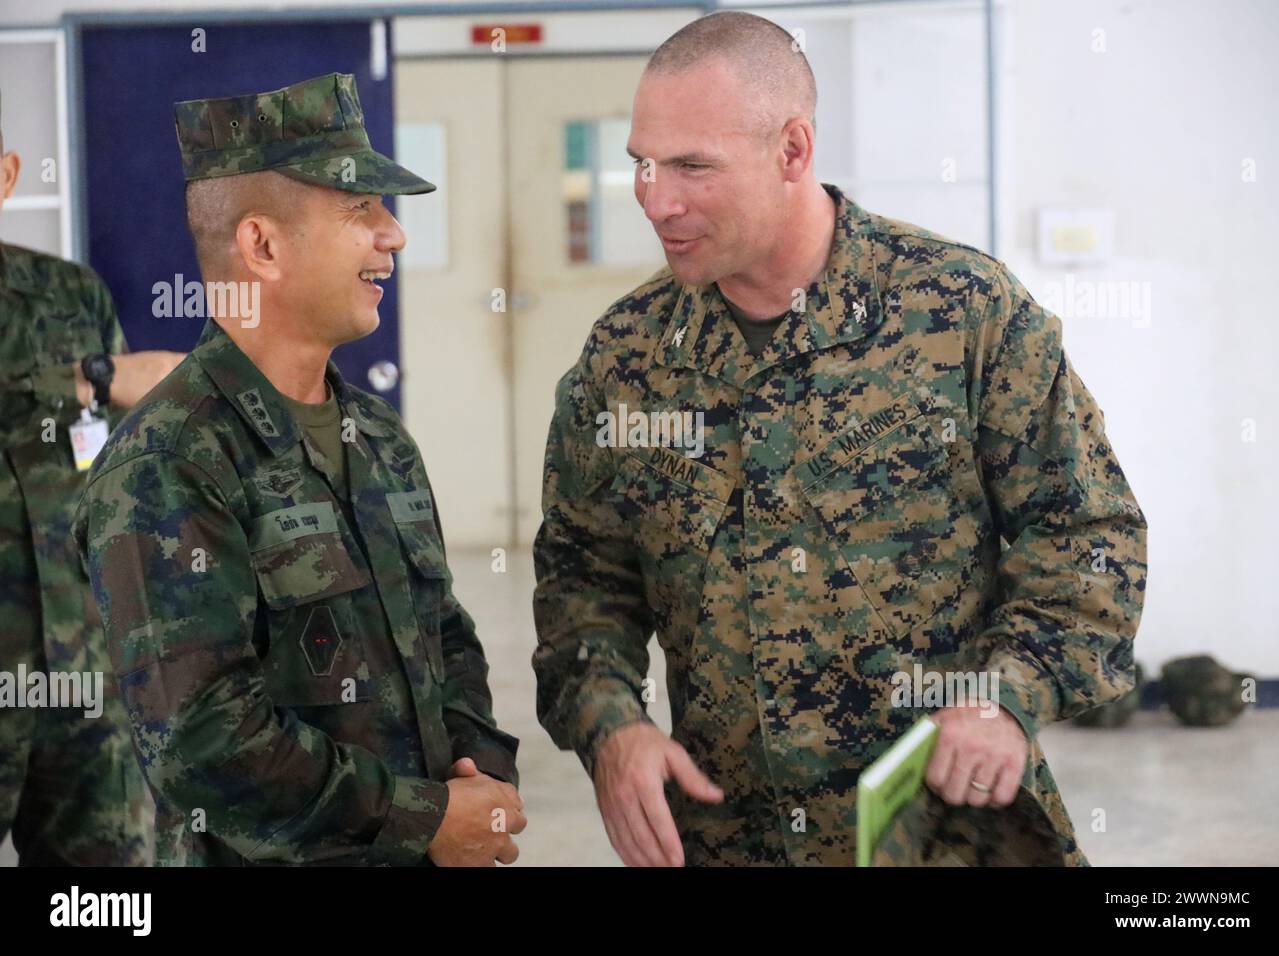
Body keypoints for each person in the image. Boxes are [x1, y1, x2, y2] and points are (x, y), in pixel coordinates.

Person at [532, 12, 1147, 866]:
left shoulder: (963, 313)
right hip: (726, 839)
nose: (654, 197)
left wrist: (1005, 699)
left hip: (942, 832)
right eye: (641, 162)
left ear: (792, 150)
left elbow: (1088, 535)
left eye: (692, 166)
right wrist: (612, 728)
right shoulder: (627, 357)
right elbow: (582, 576)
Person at [74, 73, 524, 866]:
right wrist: (424, 819)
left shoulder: (378, 436)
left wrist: (479, 775)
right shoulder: (166, 465)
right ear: (263, 246)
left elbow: (445, 632)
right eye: (362, 210)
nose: (395, 235)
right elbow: (204, 747)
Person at [1, 90, 182, 866]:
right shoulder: (82, 360)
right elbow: (96, 387)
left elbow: (109, 461)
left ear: (6, 176)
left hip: (87, 672)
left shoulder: (68, 295)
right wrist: (80, 380)